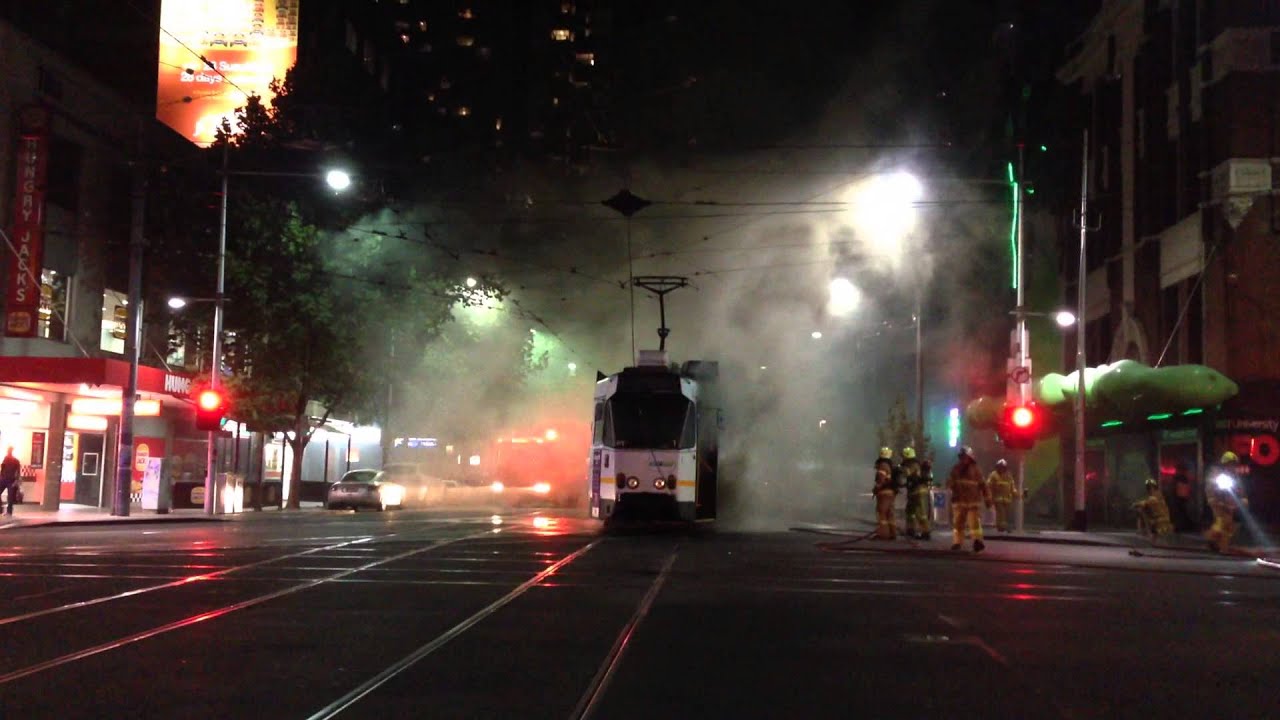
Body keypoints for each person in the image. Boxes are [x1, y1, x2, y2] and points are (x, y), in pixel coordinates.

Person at [947, 446, 990, 553]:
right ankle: (957, 542)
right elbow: (950, 483)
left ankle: (977, 542)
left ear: (970, 458)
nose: (963, 459)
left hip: (972, 502)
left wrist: (988, 498)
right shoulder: (956, 469)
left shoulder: (976, 470)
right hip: (959, 501)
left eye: (965, 457)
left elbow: (983, 485)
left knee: (974, 524)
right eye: (961, 457)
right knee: (958, 524)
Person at [1205, 452, 1248, 553]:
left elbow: (1239, 489)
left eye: (1234, 464)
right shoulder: (1217, 475)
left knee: (1228, 526)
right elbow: (1212, 489)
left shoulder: (1234, 476)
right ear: (1225, 464)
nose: (1232, 466)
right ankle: (1221, 547)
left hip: (1230, 504)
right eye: (1230, 464)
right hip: (1219, 503)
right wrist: (1214, 501)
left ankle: (1216, 542)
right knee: (1224, 523)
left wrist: (1243, 499)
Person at [901, 448, 931, 539]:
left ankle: (925, 532)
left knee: (920, 513)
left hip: (917, 492)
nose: (902, 458)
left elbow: (906, 477)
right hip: (915, 492)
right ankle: (911, 530)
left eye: (903, 456)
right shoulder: (915, 464)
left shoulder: (910, 465)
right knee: (910, 512)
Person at [1132, 477, 1173, 542]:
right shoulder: (1156, 496)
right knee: (1142, 510)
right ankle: (1145, 533)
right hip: (1158, 522)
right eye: (1148, 488)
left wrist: (1134, 504)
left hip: (1161, 524)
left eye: (1150, 487)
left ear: (1154, 488)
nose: (1149, 490)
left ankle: (1147, 534)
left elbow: (1145, 503)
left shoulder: (1155, 497)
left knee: (1141, 510)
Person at [872, 447, 899, 540]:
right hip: (891, 492)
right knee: (890, 513)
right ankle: (892, 533)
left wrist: (876, 488)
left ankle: (883, 534)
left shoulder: (882, 465)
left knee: (882, 513)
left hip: (884, 492)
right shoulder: (890, 465)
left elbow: (881, 479)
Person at [987, 458, 1017, 533]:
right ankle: (1002, 528)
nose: (1001, 469)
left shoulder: (1009, 476)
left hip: (1007, 500)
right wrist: (989, 496)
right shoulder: (993, 475)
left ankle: (1003, 527)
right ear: (997, 467)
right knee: (1001, 514)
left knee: (1006, 515)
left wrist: (1018, 494)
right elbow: (988, 485)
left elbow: (1012, 487)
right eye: (1000, 467)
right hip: (998, 499)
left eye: (1003, 467)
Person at [1170, 462, 1194, 532]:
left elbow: (1182, 487)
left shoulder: (1180, 478)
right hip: (1180, 497)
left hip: (1181, 497)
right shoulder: (1180, 478)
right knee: (1181, 512)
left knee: (1181, 511)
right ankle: (1181, 526)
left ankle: (1182, 526)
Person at [0, 446, 21, 517]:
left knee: (10, 497)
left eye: (9, 450)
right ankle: (2, 510)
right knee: (10, 496)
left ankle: (9, 512)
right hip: (3, 479)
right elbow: (2, 470)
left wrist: (16, 481)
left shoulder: (16, 461)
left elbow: (18, 472)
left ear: (11, 451)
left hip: (11, 481)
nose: (8, 452)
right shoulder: (5, 459)